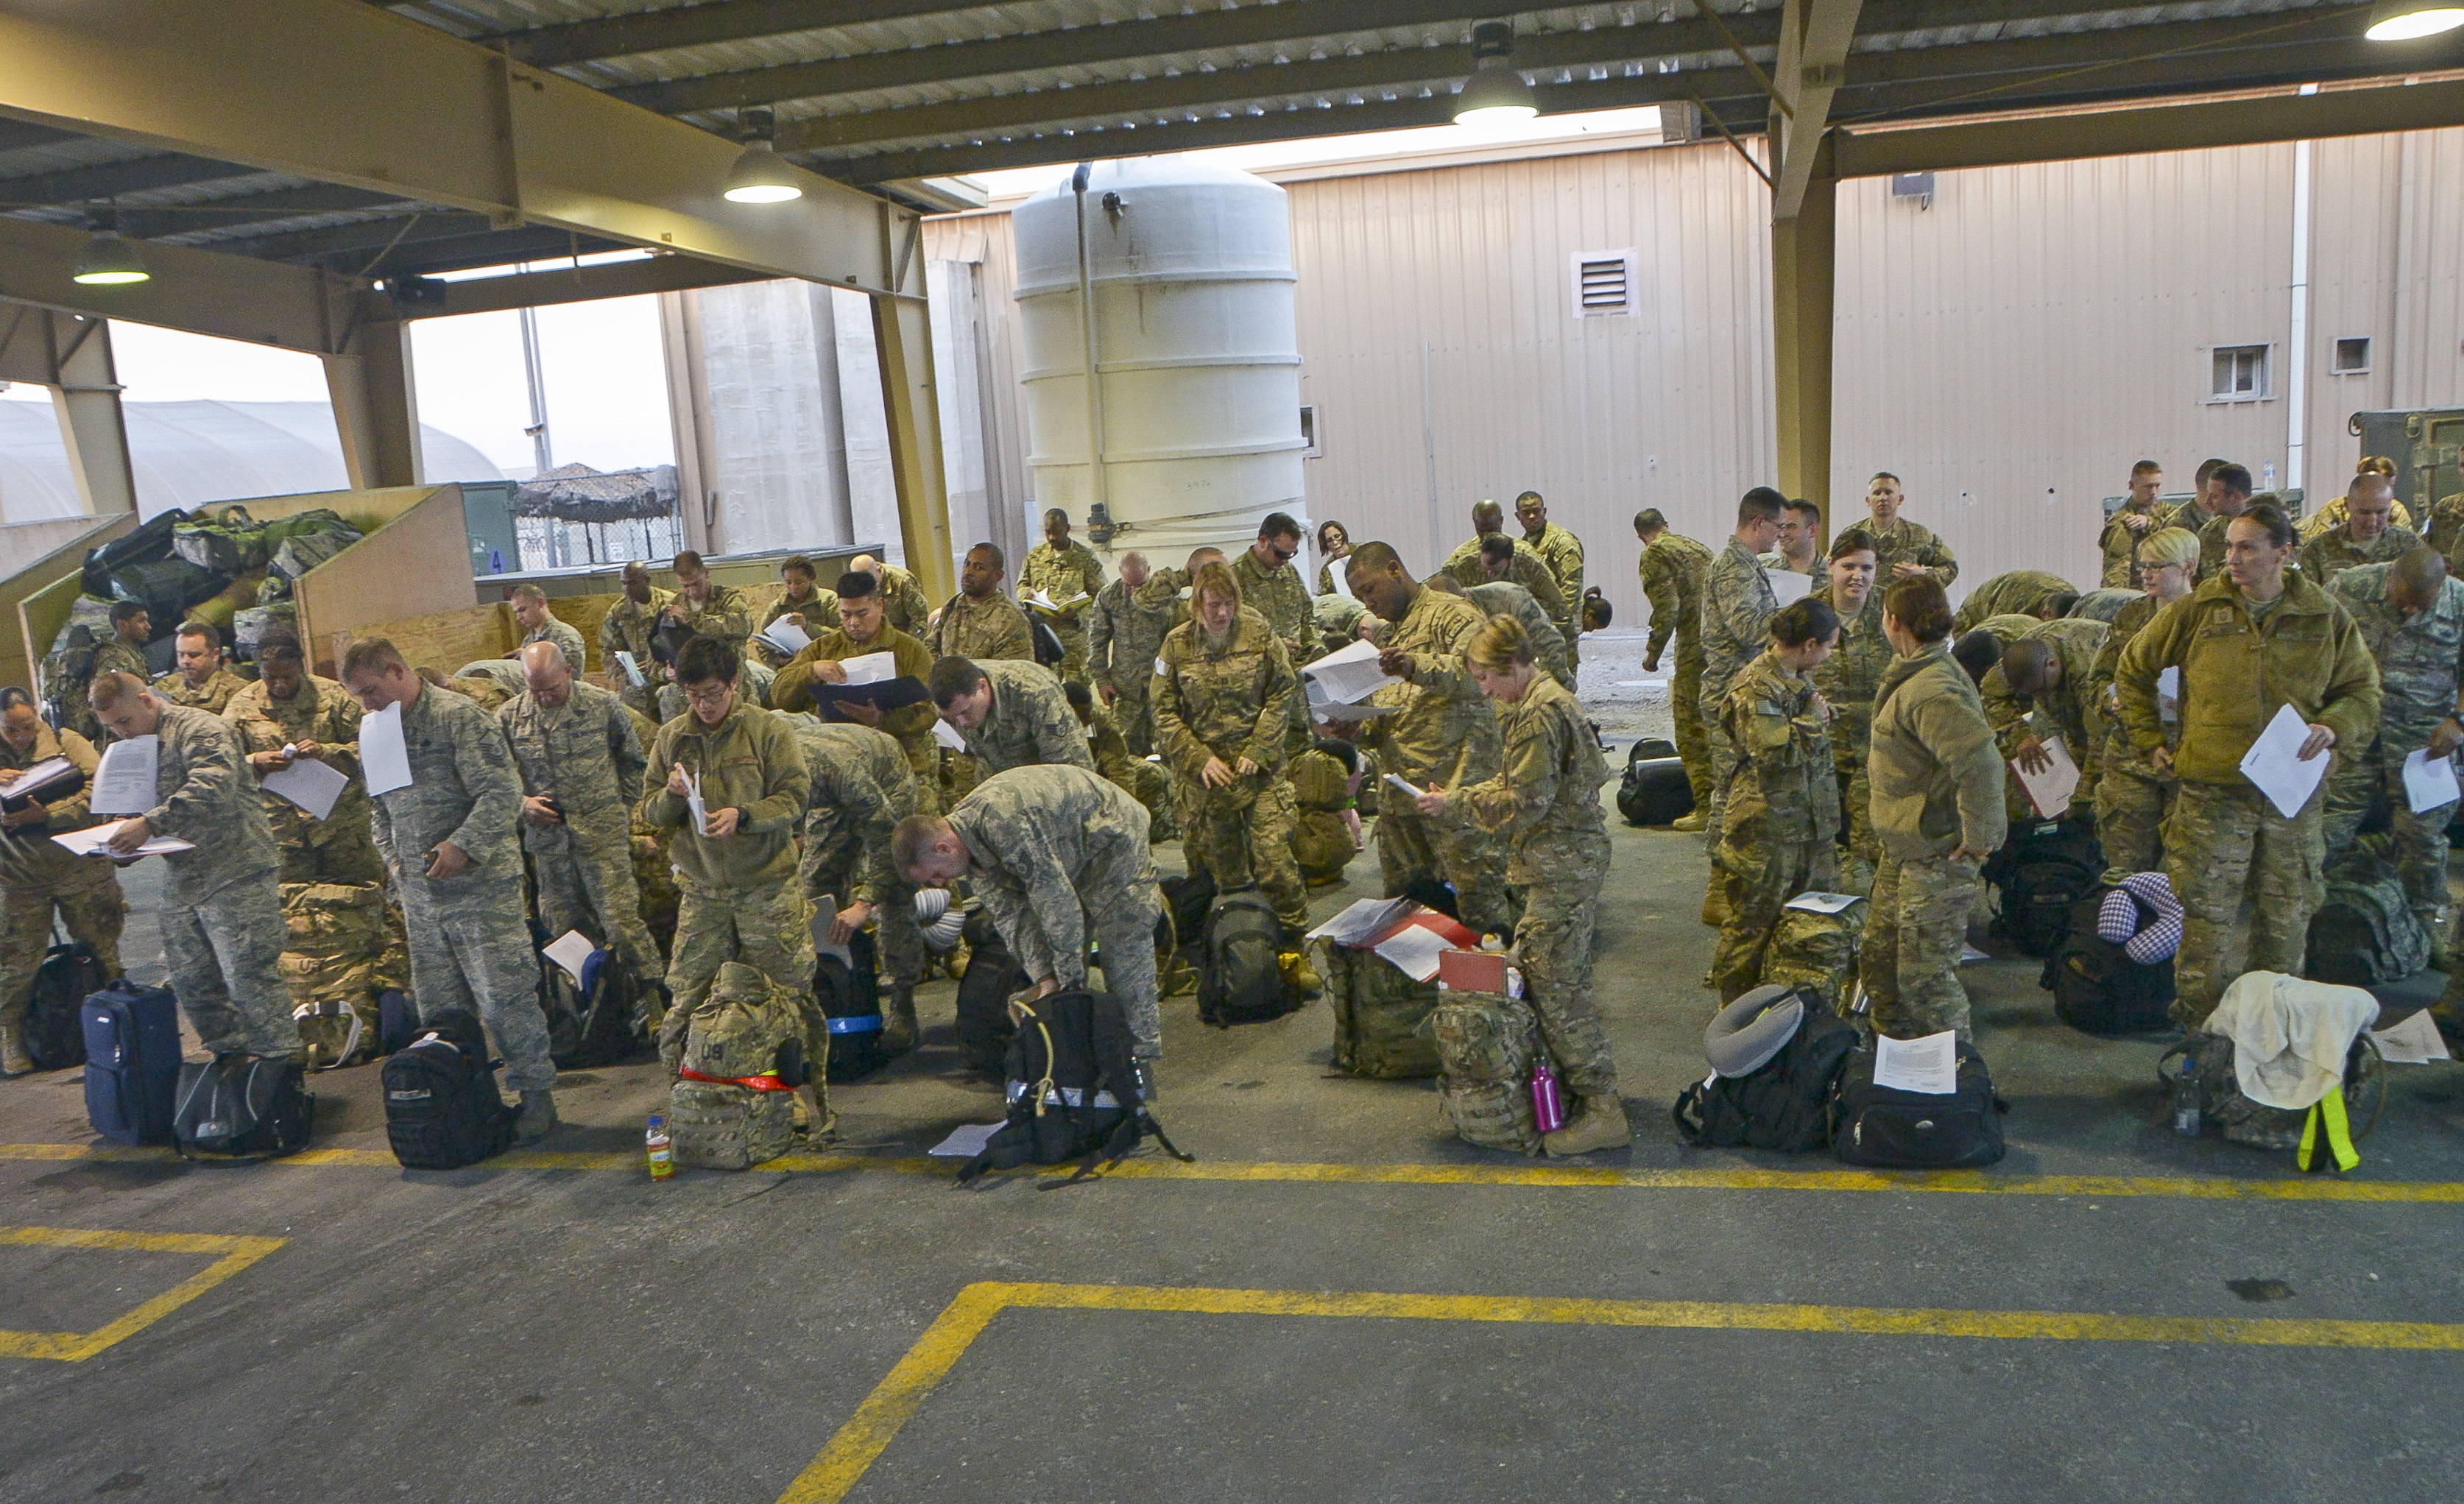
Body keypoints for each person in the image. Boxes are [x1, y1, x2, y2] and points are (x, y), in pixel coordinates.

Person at [2115, 503, 2379, 1026]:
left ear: (2283, 552)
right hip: (2213, 793)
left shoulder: (2322, 614)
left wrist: (2332, 727)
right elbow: (2133, 669)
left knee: (2283, 921)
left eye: (2246, 547)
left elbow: (2361, 690)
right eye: (2229, 546)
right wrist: (2149, 739)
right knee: (2205, 922)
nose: (2230, 558)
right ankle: (2201, 1036)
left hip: (2288, 795)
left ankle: (2268, 1031)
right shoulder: (2199, 609)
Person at [1412, 615, 1624, 1154]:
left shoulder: (1536, 715)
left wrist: (1456, 805)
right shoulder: (1547, 700)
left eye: (1485, 678)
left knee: (1559, 989)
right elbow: (1522, 783)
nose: (1483, 690)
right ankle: (1583, 1094)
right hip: (1562, 859)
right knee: (1554, 977)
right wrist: (1458, 794)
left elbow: (1524, 802)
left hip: (1560, 864)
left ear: (1511, 666)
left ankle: (1603, 1108)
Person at [342, 639, 557, 1139]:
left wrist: (463, 845)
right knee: (441, 1010)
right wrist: (393, 860)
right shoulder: (376, 728)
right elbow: (379, 809)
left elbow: (501, 791)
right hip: (421, 899)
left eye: (371, 691)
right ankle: (468, 1095)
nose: (366, 704)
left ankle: (536, 1095)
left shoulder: (458, 717)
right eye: (357, 696)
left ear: (398, 669)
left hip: (480, 888)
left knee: (504, 997)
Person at [638, 637, 822, 1132]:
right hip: (702, 890)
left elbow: (795, 797)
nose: (703, 704)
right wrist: (672, 796)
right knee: (687, 993)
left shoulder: (767, 731)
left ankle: (790, 1095)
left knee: (784, 995)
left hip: (766, 886)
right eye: (693, 694)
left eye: (713, 693)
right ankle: (685, 1091)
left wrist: (745, 816)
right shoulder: (672, 737)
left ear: (736, 683)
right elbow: (649, 809)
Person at [894, 764, 1167, 1083]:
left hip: (1113, 839)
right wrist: (1046, 979)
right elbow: (1015, 921)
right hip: (1069, 849)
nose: (940, 884)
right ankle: (1089, 1061)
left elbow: (1056, 900)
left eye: (936, 875)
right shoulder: (973, 857)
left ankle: (1138, 1064)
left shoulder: (1002, 823)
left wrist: (1069, 984)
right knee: (1061, 975)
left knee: (1123, 948)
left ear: (943, 848)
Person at [87, 673, 300, 1064]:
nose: (121, 733)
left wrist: (149, 825)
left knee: (248, 976)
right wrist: (128, 843)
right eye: (112, 727)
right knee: (191, 981)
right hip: (185, 873)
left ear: (147, 701)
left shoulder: (201, 728)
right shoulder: (136, 746)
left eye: (125, 721)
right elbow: (137, 809)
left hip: (236, 867)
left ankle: (281, 1069)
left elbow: (211, 786)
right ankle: (231, 1060)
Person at [1860, 578, 2007, 1042]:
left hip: (1937, 851)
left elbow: (1980, 762)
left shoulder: (1930, 687)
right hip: (1905, 844)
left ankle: (1954, 1086)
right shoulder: (1913, 669)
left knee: (1925, 981)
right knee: (1880, 963)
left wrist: (1980, 836)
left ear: (1893, 621)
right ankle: (1898, 1069)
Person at [1344, 542, 1511, 937]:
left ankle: (1488, 992)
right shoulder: (1388, 633)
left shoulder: (1450, 613)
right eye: (1359, 597)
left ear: (1394, 569)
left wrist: (1414, 665)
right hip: (1402, 795)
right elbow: (1395, 708)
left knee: (1477, 910)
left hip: (1455, 786)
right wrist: (1357, 728)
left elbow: (1479, 675)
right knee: (1405, 912)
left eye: (1371, 590)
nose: (1369, 603)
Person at [1151, 560, 1313, 956]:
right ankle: (1235, 952)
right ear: (1197, 605)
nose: (1222, 613)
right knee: (1223, 874)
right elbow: (1163, 711)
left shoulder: (1259, 632)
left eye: (1228, 604)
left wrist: (1259, 749)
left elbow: (1282, 691)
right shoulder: (1176, 645)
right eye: (1213, 605)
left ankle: (1293, 950)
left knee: (1275, 861)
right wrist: (1198, 758)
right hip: (1207, 778)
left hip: (1260, 772)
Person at [500, 640, 662, 1006]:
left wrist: (620, 810)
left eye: (552, 688)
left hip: (602, 835)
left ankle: (653, 1001)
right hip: (549, 844)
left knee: (621, 923)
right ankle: (586, 1007)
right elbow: (498, 781)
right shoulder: (509, 718)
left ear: (569, 672)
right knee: (563, 930)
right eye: (534, 689)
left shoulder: (601, 705)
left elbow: (633, 763)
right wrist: (522, 804)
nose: (543, 697)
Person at [2327, 549, 2464, 947]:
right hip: (2358, 728)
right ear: (2391, 576)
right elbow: (2314, 648)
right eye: (2400, 599)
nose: (2406, 609)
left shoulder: (2459, 603)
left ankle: (2426, 927)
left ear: (2442, 583)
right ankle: (2324, 920)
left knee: (2422, 835)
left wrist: (2458, 720)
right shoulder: (2349, 587)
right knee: (2327, 827)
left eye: (2418, 604)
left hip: (2425, 739)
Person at [1709, 599, 1841, 1003]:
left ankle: (1788, 1009)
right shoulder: (1756, 686)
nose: (1832, 654)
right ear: (1809, 644)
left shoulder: (1797, 676)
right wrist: (1815, 722)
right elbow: (1774, 754)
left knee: (1809, 921)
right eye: (1830, 646)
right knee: (1753, 925)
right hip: (1766, 830)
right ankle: (1734, 1016)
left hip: (1808, 825)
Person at [0, 687, 124, 1077]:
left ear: (36, 713)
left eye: (26, 726)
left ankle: (120, 1024)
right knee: (15, 966)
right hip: (18, 879)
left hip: (79, 870)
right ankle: (11, 1038)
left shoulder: (67, 742)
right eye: (10, 730)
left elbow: (100, 793)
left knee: (104, 952)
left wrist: (48, 816)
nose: (20, 736)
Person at [792, 719, 925, 1054]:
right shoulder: (761, 770)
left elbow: (886, 839)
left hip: (883, 778)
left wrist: (863, 905)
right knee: (813, 889)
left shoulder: (836, 770)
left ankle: (902, 1004)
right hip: (830, 798)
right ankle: (831, 994)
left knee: (896, 889)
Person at [770, 571, 941, 812]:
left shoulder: (909, 650)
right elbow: (780, 696)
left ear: (880, 605)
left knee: (913, 837)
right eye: (845, 614)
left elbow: (932, 709)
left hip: (902, 766)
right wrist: (812, 670)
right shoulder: (823, 649)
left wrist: (883, 719)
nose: (853, 623)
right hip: (838, 768)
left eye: (862, 614)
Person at [225, 632, 382, 886]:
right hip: (281, 831)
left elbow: (374, 747)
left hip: (342, 825)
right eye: (270, 677)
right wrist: (255, 761)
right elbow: (221, 762)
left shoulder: (333, 697)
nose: (279, 684)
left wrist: (327, 752)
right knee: (292, 907)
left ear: (300, 665)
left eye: (287, 676)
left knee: (362, 897)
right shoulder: (242, 706)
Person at [2087, 527, 2199, 878]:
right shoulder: (2130, 617)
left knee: (2186, 865)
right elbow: (2099, 677)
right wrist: (2112, 699)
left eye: (2157, 566)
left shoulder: (2210, 618)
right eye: (2143, 566)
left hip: (2190, 753)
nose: (2146, 574)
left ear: (2188, 568)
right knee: (2125, 860)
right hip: (2132, 753)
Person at [1699, 489, 1787, 869]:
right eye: (1778, 527)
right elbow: (1749, 628)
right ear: (1758, 523)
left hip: (1740, 688)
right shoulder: (1734, 567)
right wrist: (1794, 624)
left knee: (1739, 784)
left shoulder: (1747, 563)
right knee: (1730, 787)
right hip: (1728, 692)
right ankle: (1720, 875)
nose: (1780, 535)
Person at [1978, 615, 2111, 819]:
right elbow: (1991, 691)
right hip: (2067, 689)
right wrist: (2019, 735)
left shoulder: (2089, 671)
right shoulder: (2023, 659)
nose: (2038, 698)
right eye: (2031, 694)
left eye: (2040, 690)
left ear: (2051, 664)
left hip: (2123, 707)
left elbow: (2100, 742)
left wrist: (2078, 802)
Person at [1812, 531, 1887, 886]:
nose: (1858, 575)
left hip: (1877, 751)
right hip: (1823, 750)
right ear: (1830, 566)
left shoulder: (1894, 613)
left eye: (1867, 567)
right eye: (1849, 566)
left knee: (1872, 847)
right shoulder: (1807, 615)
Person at [1636, 507, 1716, 827]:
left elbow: (1668, 608)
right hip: (1720, 643)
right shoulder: (1696, 546)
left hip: (1695, 646)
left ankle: (1706, 809)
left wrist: (1653, 653)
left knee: (1690, 727)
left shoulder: (1653, 554)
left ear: (1642, 536)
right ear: (1666, 525)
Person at [930, 655, 1097, 777]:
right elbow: (970, 751)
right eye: (953, 717)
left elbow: (1074, 769)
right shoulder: (947, 703)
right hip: (998, 774)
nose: (962, 722)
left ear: (982, 686)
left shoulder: (1034, 694)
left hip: (1045, 771)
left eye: (966, 712)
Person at [1086, 550, 1179, 755]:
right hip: (1125, 688)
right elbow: (1096, 641)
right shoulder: (1109, 596)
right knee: (1122, 752)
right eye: (1130, 585)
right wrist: (1101, 680)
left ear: (1149, 570)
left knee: (1167, 750)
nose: (1135, 590)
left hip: (1161, 686)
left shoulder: (1165, 596)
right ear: (1120, 572)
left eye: (1140, 584)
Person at [1062, 678, 1174, 836]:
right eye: (1083, 714)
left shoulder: (1099, 720)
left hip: (1097, 773)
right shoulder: (1049, 724)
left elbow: (1120, 765)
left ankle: (1147, 828)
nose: (1089, 718)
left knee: (1152, 774)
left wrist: (1124, 810)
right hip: (1063, 782)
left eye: (1090, 712)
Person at [658, 551, 754, 719]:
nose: (691, 591)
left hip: (731, 684)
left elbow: (741, 626)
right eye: (685, 586)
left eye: (696, 584)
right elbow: (663, 647)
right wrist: (669, 670)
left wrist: (691, 619)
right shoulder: (676, 605)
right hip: (694, 689)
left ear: (706, 573)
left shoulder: (729, 598)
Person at [1020, 509, 1106, 683]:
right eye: (1047, 532)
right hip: (1044, 635)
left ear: (1067, 528)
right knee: (1045, 688)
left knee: (1078, 693)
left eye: (1056, 532)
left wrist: (1077, 615)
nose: (1051, 537)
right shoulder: (1035, 556)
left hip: (1074, 638)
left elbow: (1101, 597)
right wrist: (1028, 596)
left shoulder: (1085, 558)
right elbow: (1022, 585)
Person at [1438, 574, 1569, 686]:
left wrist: (1547, 687)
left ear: (1465, 597)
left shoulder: (1510, 598)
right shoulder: (1443, 621)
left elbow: (1550, 643)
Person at [2299, 471, 2419, 585]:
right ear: (2347, 506)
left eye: (2381, 512)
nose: (2372, 522)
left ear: (2390, 508)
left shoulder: (2409, 545)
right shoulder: (2319, 550)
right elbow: (2305, 600)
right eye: (2364, 513)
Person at [929, 542, 1036, 665]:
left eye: (979, 567)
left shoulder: (1010, 620)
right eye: (967, 564)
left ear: (998, 576)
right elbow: (931, 645)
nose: (968, 572)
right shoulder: (953, 605)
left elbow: (1014, 673)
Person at [1514, 490, 1586, 667]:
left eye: (1537, 511)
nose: (1532, 517)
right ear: (1518, 516)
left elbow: (1572, 588)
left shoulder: (1561, 541)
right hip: (1537, 626)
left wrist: (1560, 625)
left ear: (1544, 511)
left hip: (1560, 626)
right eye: (1526, 513)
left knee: (1562, 682)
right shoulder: (1525, 544)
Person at [599, 561, 673, 721]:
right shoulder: (619, 610)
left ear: (646, 580)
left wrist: (658, 666)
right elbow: (610, 648)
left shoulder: (669, 604)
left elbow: (682, 646)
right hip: (635, 690)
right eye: (623, 583)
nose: (626, 588)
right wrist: (626, 672)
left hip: (666, 684)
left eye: (632, 583)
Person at [1859, 473, 1958, 587]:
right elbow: (1835, 568)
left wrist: (1922, 575)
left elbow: (1950, 568)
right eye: (1877, 493)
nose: (1883, 498)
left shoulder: (1918, 535)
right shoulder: (1854, 534)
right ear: (1868, 501)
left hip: (1903, 603)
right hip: (1864, 603)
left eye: (1889, 492)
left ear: (1900, 499)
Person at [2302, 454, 2417, 541]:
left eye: (2388, 488)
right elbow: (2315, 540)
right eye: (2364, 512)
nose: (2372, 521)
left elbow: (2406, 546)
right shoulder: (2335, 509)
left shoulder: (2396, 511)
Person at [754, 556, 840, 668]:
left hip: (826, 663)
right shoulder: (777, 607)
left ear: (811, 578)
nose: (793, 587)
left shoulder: (828, 600)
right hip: (792, 669)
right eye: (788, 583)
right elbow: (762, 644)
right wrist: (779, 661)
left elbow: (842, 636)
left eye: (799, 582)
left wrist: (808, 627)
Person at [2100, 460, 2169, 588]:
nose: (2154, 492)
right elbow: (2116, 571)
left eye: (2157, 486)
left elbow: (2181, 528)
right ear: (2132, 485)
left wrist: (2150, 523)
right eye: (2148, 486)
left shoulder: (2165, 511)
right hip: (2139, 597)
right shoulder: (2123, 522)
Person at [153, 621, 246, 714]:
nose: (185, 661)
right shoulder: (165, 685)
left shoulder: (236, 690)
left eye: (193, 655)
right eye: (181, 654)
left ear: (215, 655)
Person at [1951, 571, 2080, 634]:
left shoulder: (2073, 602)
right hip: (1972, 617)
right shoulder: (2016, 606)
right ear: (2046, 614)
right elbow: (1995, 635)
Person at [2191, 463, 2255, 580]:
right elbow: (2196, 582)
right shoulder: (2208, 533)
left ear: (2236, 498)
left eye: (2214, 496)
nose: (2207, 501)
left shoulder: (2268, 531)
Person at [507, 583, 587, 672]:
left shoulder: (567, 636)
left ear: (540, 603)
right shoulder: (529, 640)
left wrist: (531, 658)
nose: (519, 617)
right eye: (516, 613)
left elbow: (570, 677)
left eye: (522, 610)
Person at [850, 553, 932, 639]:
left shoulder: (902, 581)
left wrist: (910, 645)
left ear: (879, 570)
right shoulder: (854, 585)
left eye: (868, 579)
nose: (865, 584)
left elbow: (920, 619)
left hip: (904, 634)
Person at [1761, 498, 1823, 579]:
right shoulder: (1767, 572)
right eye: (1781, 527)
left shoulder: (1833, 574)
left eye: (1791, 527)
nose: (1782, 534)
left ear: (1812, 531)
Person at [1315, 520, 1353, 597]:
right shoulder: (1327, 570)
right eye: (1329, 540)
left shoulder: (1364, 552)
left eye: (1337, 536)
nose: (1335, 542)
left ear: (1344, 535)